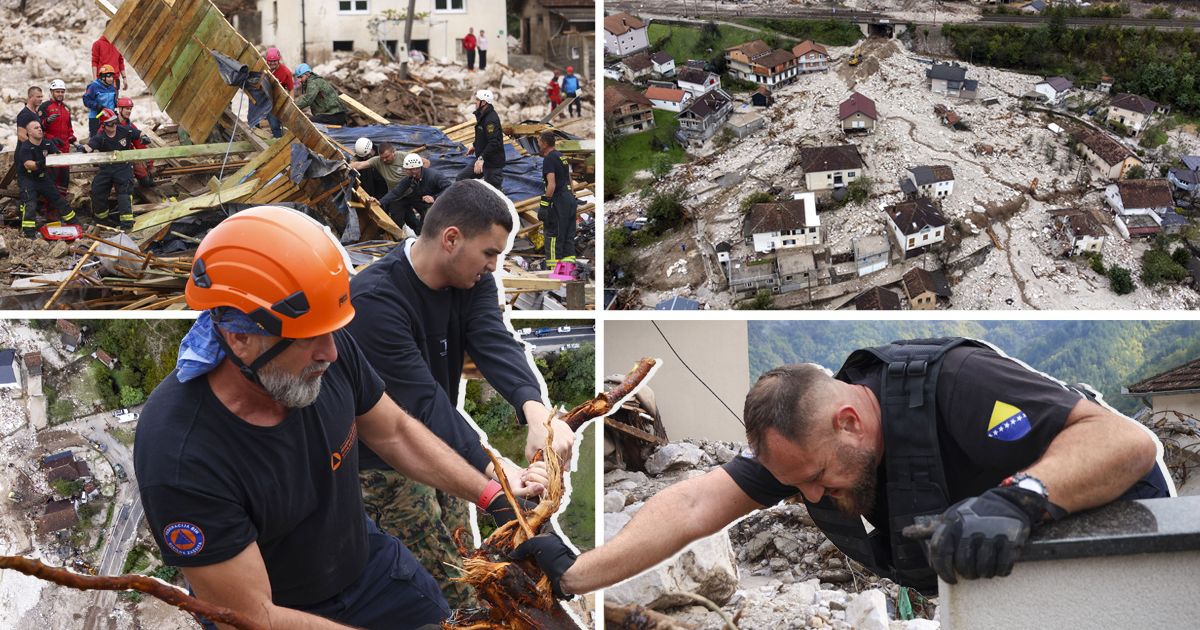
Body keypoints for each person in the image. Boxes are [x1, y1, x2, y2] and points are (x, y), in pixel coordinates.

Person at [134, 205, 547, 630]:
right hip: (288, 613)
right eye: (311, 339)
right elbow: (252, 618)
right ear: (241, 337)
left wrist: (493, 495)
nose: (331, 353)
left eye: (331, 332)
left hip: (370, 569)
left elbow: (396, 432)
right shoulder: (182, 457)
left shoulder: (325, 348)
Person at [513, 337, 1173, 599]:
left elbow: (1126, 444)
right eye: (795, 484)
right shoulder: (802, 451)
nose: (807, 496)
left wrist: (1022, 496)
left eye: (815, 479)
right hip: (1005, 585)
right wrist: (575, 575)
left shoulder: (959, 384)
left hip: (1114, 558)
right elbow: (689, 507)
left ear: (849, 421)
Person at [347, 179, 575, 609]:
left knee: (472, 566)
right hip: (386, 470)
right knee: (441, 592)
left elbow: (494, 340)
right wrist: (498, 468)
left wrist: (536, 412)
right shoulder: (376, 300)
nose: (494, 265)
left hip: (445, 449)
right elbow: (423, 403)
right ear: (452, 239)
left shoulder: (470, 282)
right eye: (490, 253)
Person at [15, 120, 78, 238]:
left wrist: (60, 155)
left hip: (43, 177)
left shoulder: (47, 144)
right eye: (36, 128)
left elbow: (57, 156)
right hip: (28, 179)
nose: (40, 129)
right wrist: (45, 162)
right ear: (29, 133)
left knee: (59, 199)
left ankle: (74, 223)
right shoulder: (25, 147)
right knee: (30, 204)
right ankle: (29, 233)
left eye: (40, 127)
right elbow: (29, 165)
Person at [80, 108, 141, 230]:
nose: (113, 125)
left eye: (115, 121)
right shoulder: (100, 137)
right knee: (97, 191)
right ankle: (102, 220)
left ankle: (127, 225)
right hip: (107, 168)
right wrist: (83, 148)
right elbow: (89, 146)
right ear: (103, 125)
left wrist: (144, 138)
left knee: (124, 194)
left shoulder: (124, 130)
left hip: (123, 167)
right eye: (110, 123)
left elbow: (139, 133)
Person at [376, 153, 450, 235]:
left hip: (434, 204)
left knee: (425, 224)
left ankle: (421, 234)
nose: (405, 171)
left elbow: (450, 189)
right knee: (397, 203)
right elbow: (396, 191)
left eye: (407, 169)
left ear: (414, 169)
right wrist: (380, 202)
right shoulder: (412, 178)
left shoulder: (434, 176)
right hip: (420, 199)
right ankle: (400, 231)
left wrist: (434, 198)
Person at [537, 132, 578, 280]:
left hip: (558, 201)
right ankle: (567, 276)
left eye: (539, 141)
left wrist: (544, 204)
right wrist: (572, 198)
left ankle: (556, 277)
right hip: (569, 200)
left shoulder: (549, 159)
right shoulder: (562, 157)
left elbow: (551, 184)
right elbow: (569, 180)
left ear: (545, 143)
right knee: (568, 238)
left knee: (554, 237)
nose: (538, 144)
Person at [456, 89, 504, 190]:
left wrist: (482, 158)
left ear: (484, 102)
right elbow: (482, 136)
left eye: (477, 100)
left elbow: (494, 142)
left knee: (493, 193)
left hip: (492, 164)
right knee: (461, 179)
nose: (475, 102)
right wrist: (475, 145)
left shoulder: (491, 120)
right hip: (481, 159)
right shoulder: (481, 114)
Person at [39, 79, 75, 196]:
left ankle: (61, 206)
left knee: (64, 179)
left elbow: (69, 127)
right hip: (50, 149)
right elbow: (37, 128)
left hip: (65, 149)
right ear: (51, 92)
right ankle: (48, 209)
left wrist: (72, 138)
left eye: (62, 91)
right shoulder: (45, 107)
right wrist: (47, 122)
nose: (60, 94)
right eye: (57, 91)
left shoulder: (66, 108)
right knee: (51, 178)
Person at [115, 97, 154, 188]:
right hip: (114, 159)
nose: (129, 111)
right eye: (127, 109)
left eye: (130, 109)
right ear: (120, 109)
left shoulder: (131, 127)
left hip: (129, 158)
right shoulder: (110, 124)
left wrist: (150, 164)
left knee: (146, 181)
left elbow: (140, 145)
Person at [264, 47, 293, 138]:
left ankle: (278, 140)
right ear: (266, 61)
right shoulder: (263, 69)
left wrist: (291, 103)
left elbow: (291, 89)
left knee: (274, 124)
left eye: (274, 61)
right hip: (264, 97)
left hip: (278, 100)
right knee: (255, 118)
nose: (272, 63)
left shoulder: (286, 72)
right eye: (270, 61)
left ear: (278, 60)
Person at [83, 66, 119, 137]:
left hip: (109, 118)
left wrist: (115, 107)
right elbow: (86, 100)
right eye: (108, 77)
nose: (111, 79)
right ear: (102, 77)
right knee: (95, 139)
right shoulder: (93, 86)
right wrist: (97, 106)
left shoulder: (112, 87)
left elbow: (113, 101)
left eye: (112, 77)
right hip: (96, 118)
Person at [92, 27, 127, 95]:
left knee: (113, 102)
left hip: (115, 80)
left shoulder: (118, 45)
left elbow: (121, 62)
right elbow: (94, 62)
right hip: (102, 80)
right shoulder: (97, 44)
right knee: (103, 103)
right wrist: (95, 80)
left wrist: (124, 78)